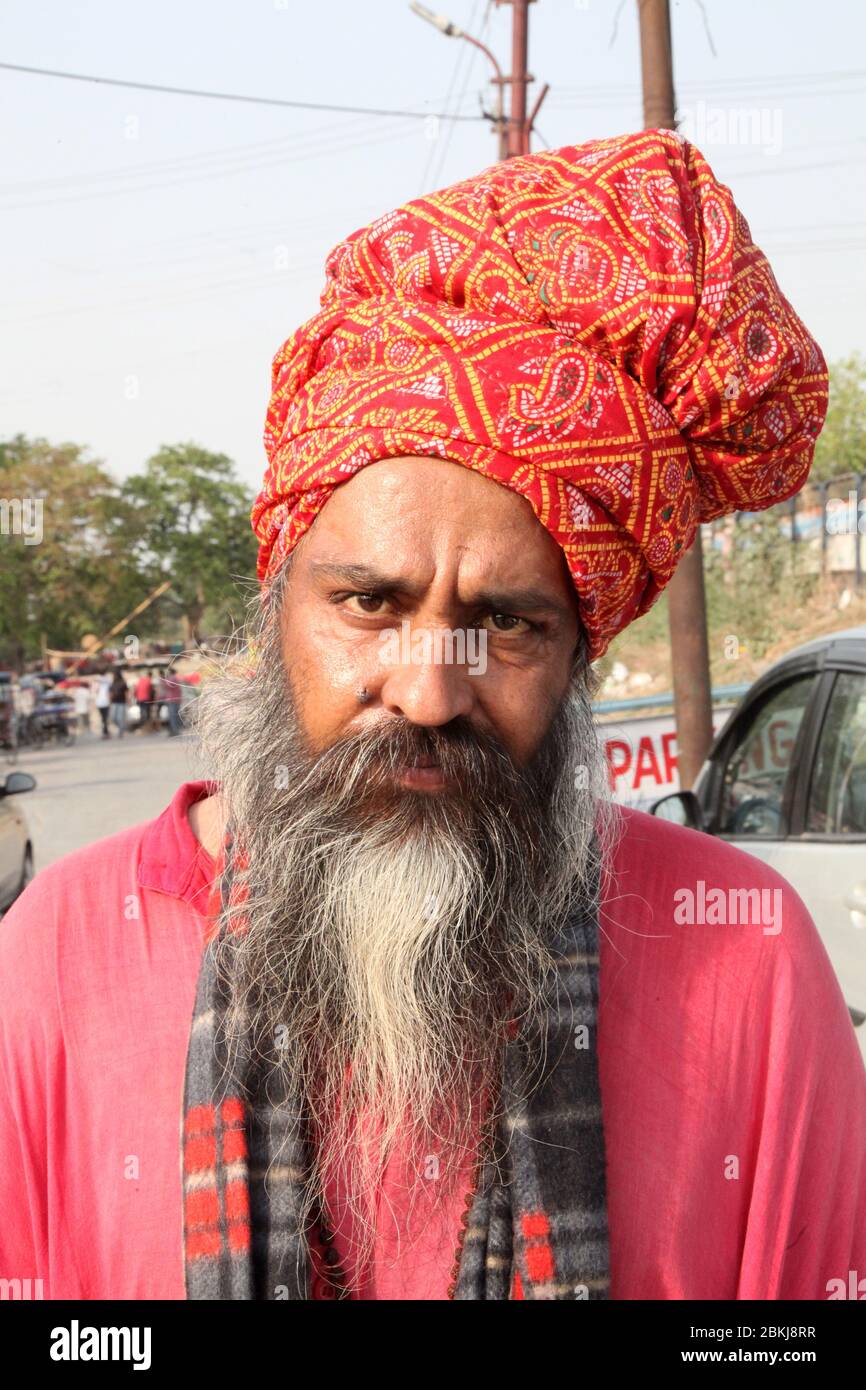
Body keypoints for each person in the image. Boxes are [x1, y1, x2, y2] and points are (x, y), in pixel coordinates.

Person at [0, 130, 863, 1303]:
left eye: (506, 625)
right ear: (275, 609)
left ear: (576, 655)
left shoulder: (741, 956)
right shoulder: (61, 946)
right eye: (367, 603)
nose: (427, 691)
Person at [161, 671, 184, 737]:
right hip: (175, 700)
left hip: (172, 700)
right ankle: (175, 730)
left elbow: (166, 686)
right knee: (175, 716)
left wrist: (162, 680)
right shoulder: (175, 678)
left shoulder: (172, 679)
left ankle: (174, 731)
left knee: (173, 717)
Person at [108, 670, 128, 739]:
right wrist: (110, 701)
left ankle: (120, 732)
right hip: (114, 702)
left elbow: (126, 693)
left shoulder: (123, 683)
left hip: (122, 702)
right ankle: (121, 727)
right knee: (113, 718)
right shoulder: (113, 683)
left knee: (120, 718)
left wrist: (128, 701)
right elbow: (111, 692)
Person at [94, 670, 112, 739]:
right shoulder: (108, 680)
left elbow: (95, 691)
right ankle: (105, 732)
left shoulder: (97, 680)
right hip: (106, 702)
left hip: (99, 702)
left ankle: (105, 732)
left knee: (103, 718)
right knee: (105, 718)